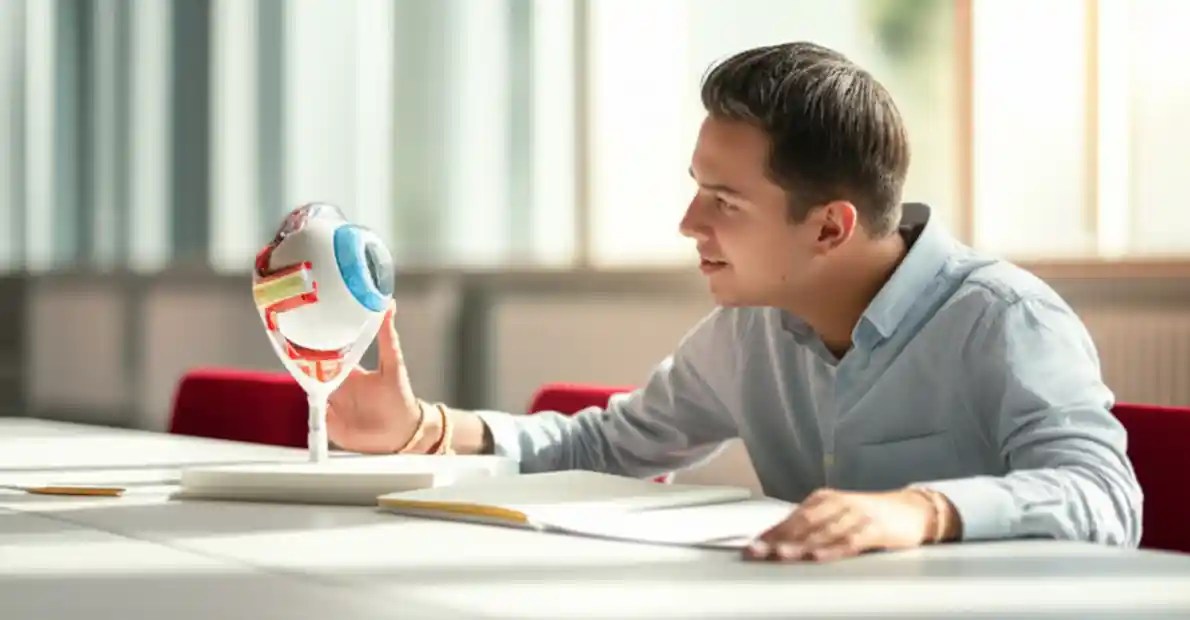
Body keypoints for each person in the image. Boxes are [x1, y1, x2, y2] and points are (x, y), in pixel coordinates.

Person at [327, 42, 1143, 563]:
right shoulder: (747, 331)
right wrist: (424, 429)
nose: (690, 224)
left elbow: (1105, 495)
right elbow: (610, 445)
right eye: (697, 190)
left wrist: (921, 512)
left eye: (726, 200)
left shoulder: (1003, 319)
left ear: (830, 228)